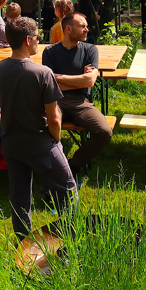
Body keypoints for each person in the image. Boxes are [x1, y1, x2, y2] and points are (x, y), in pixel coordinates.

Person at [0, 17, 76, 239]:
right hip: (41, 143)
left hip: (11, 143)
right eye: (37, 37)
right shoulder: (42, 73)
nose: (38, 41)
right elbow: (54, 119)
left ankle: (23, 246)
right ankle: (72, 239)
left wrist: (3, 127)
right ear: (27, 40)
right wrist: (56, 140)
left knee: (20, 195)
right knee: (67, 189)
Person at [41, 13, 112, 181]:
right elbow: (48, 84)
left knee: (104, 131)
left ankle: (73, 166)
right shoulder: (50, 51)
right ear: (68, 29)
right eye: (82, 26)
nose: (87, 29)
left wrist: (59, 77)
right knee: (43, 127)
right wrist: (78, 80)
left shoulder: (90, 50)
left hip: (80, 102)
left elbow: (89, 81)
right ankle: (51, 169)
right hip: (54, 100)